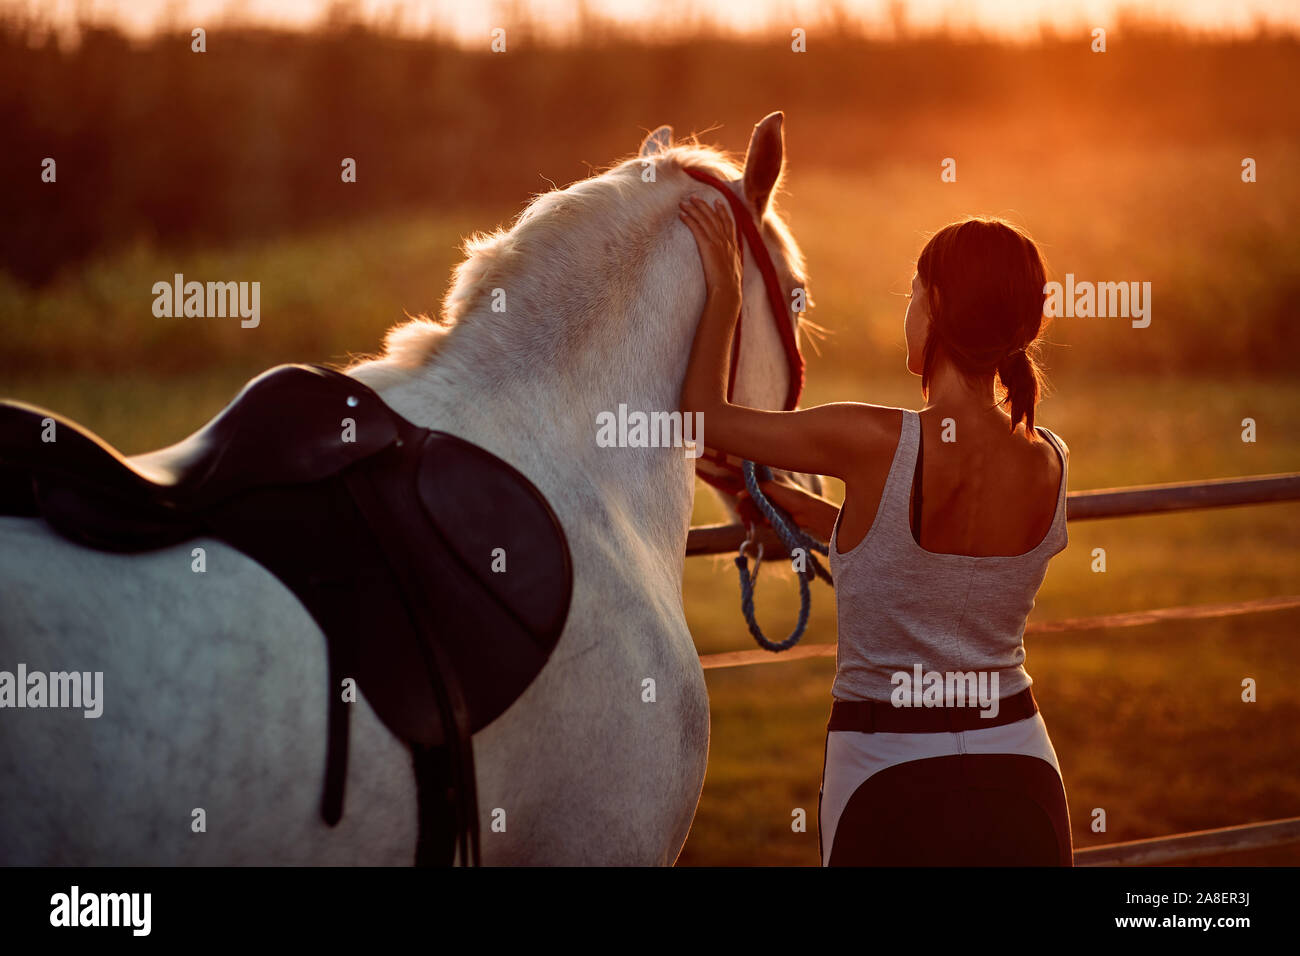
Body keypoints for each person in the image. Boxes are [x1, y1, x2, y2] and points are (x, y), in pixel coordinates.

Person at [678, 198, 1072, 866]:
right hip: (1020, 763)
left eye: (913, 294)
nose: (907, 312)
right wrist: (837, 527)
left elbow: (700, 414)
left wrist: (723, 288)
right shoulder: (1049, 457)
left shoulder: (868, 438)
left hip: (888, 771)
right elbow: (959, 570)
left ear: (936, 305)